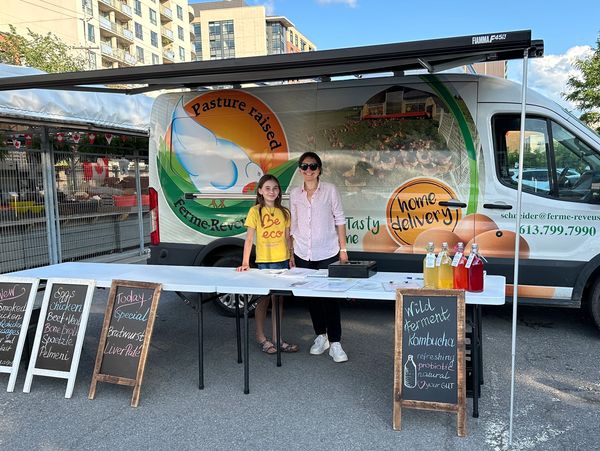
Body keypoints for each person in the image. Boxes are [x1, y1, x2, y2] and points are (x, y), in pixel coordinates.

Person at [289, 152, 349, 363]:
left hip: (328, 251)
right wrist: (291, 252)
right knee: (312, 297)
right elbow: (293, 225)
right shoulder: (295, 194)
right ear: (300, 169)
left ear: (319, 169)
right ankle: (320, 336)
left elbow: (340, 219)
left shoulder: (330, 190)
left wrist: (343, 250)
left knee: (330, 298)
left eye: (313, 166)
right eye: (304, 166)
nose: (308, 170)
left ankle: (335, 342)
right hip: (303, 252)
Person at [237, 174, 299, 354]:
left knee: (278, 301)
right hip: (264, 262)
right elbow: (249, 239)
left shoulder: (285, 212)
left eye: (275, 188)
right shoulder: (255, 211)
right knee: (263, 300)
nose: (272, 192)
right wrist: (245, 262)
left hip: (282, 261)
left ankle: (277, 338)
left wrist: (291, 256)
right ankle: (261, 337)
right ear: (260, 191)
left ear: (279, 191)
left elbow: (288, 238)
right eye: (268, 188)